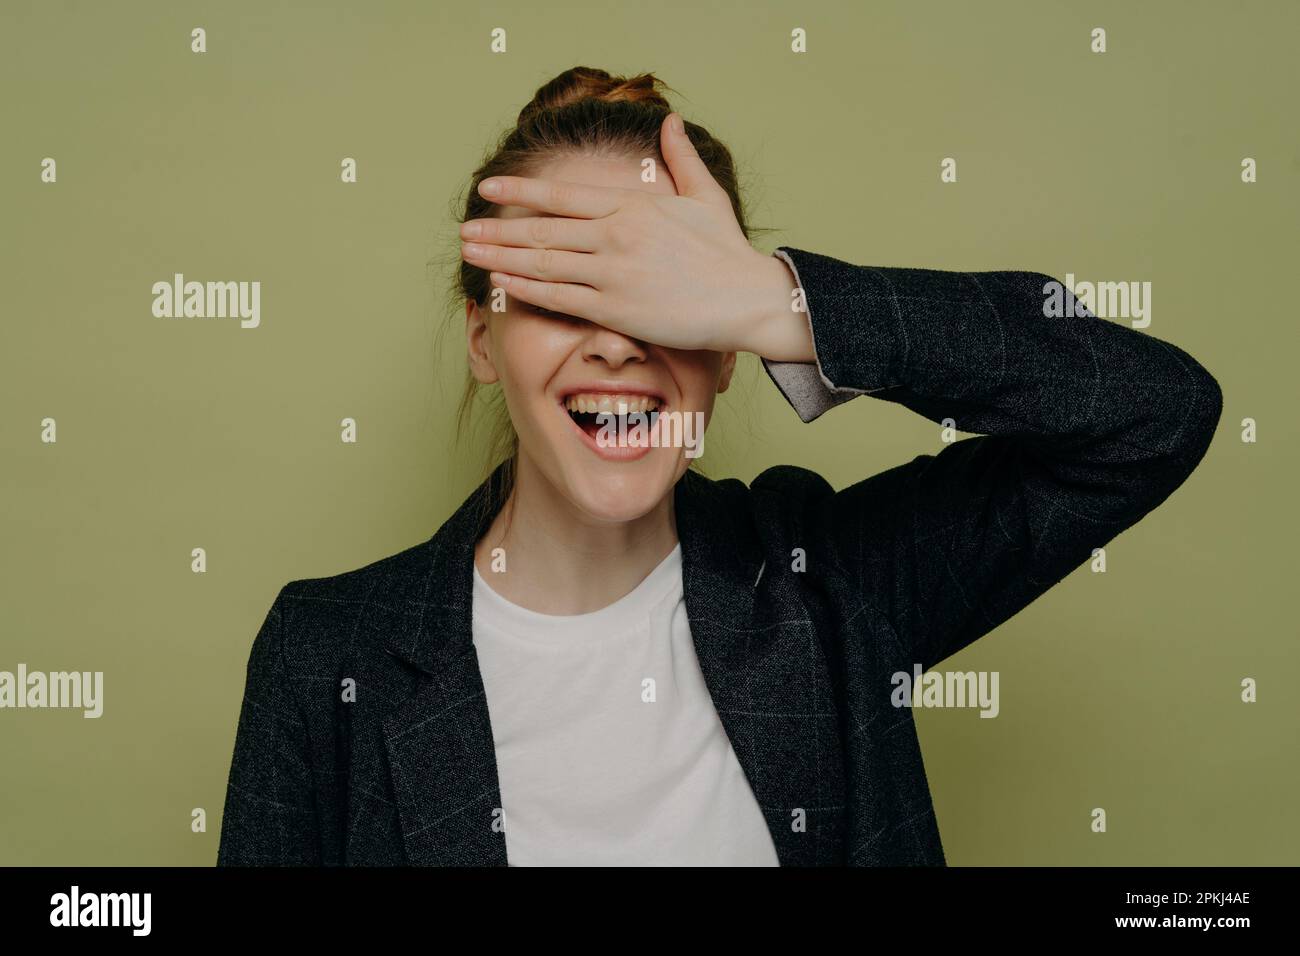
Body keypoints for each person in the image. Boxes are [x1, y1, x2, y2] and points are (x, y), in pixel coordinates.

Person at [217, 67, 1222, 866]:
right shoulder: (325, 656)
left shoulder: (831, 588)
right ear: (484, 338)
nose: (617, 343)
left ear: (728, 346)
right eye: (567, 291)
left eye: (660, 295)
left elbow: (1151, 413)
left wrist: (782, 302)